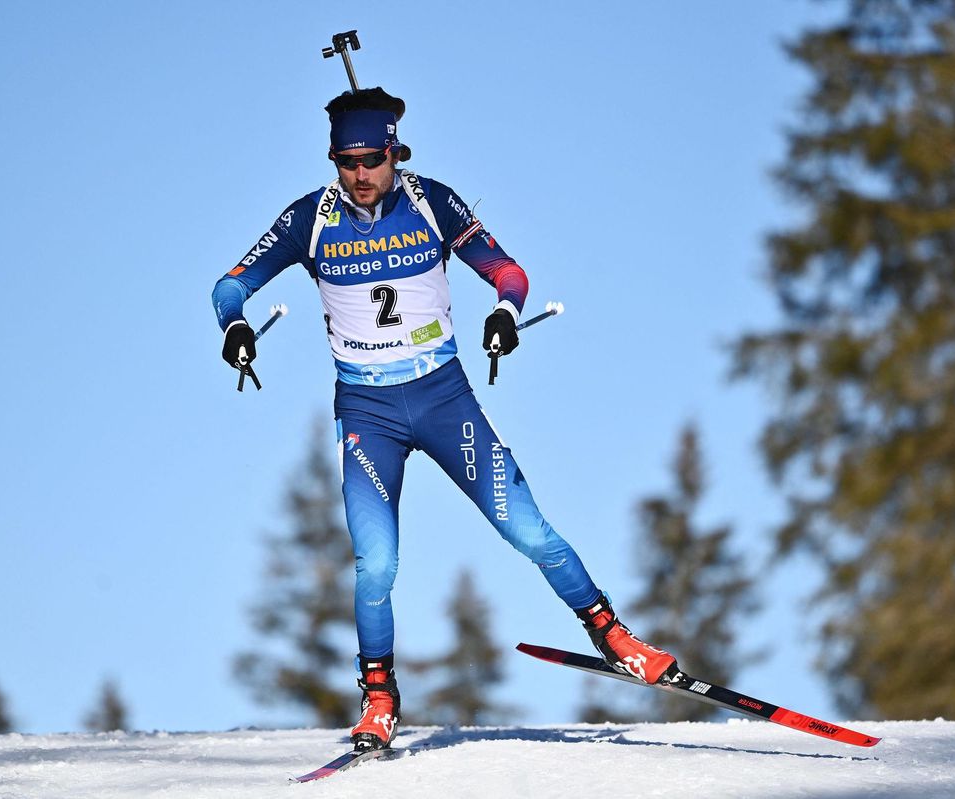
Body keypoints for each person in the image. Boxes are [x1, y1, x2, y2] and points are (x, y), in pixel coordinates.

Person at [212, 87, 678, 751]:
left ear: (395, 151)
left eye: (372, 157)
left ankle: (613, 634)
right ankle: (379, 694)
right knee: (375, 565)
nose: (360, 173)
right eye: (346, 160)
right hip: (368, 409)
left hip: (443, 398)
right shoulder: (308, 220)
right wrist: (234, 325)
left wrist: (504, 314)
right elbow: (229, 284)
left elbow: (507, 270)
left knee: (530, 531)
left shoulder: (432, 201)